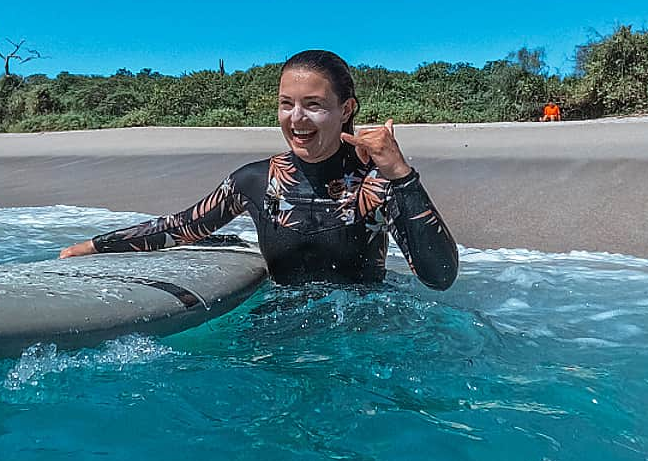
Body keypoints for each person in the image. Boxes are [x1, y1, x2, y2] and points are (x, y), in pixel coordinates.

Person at [60, 50, 458, 290]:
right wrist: (93, 247)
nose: (296, 118)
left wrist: (401, 175)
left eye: (313, 105)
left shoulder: (377, 185)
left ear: (346, 110)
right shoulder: (255, 180)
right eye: (287, 103)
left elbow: (438, 276)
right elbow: (180, 227)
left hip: (362, 336)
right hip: (281, 337)